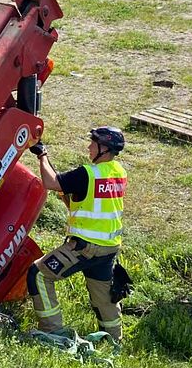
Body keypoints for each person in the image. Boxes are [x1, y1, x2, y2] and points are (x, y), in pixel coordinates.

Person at [29, 127, 131, 343]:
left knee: (38, 275)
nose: (89, 147)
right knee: (104, 298)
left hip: (85, 248)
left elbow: (51, 182)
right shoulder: (119, 172)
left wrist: (42, 154)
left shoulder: (88, 173)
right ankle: (113, 340)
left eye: (93, 144)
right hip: (109, 248)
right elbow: (87, 202)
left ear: (104, 149)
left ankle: (52, 331)